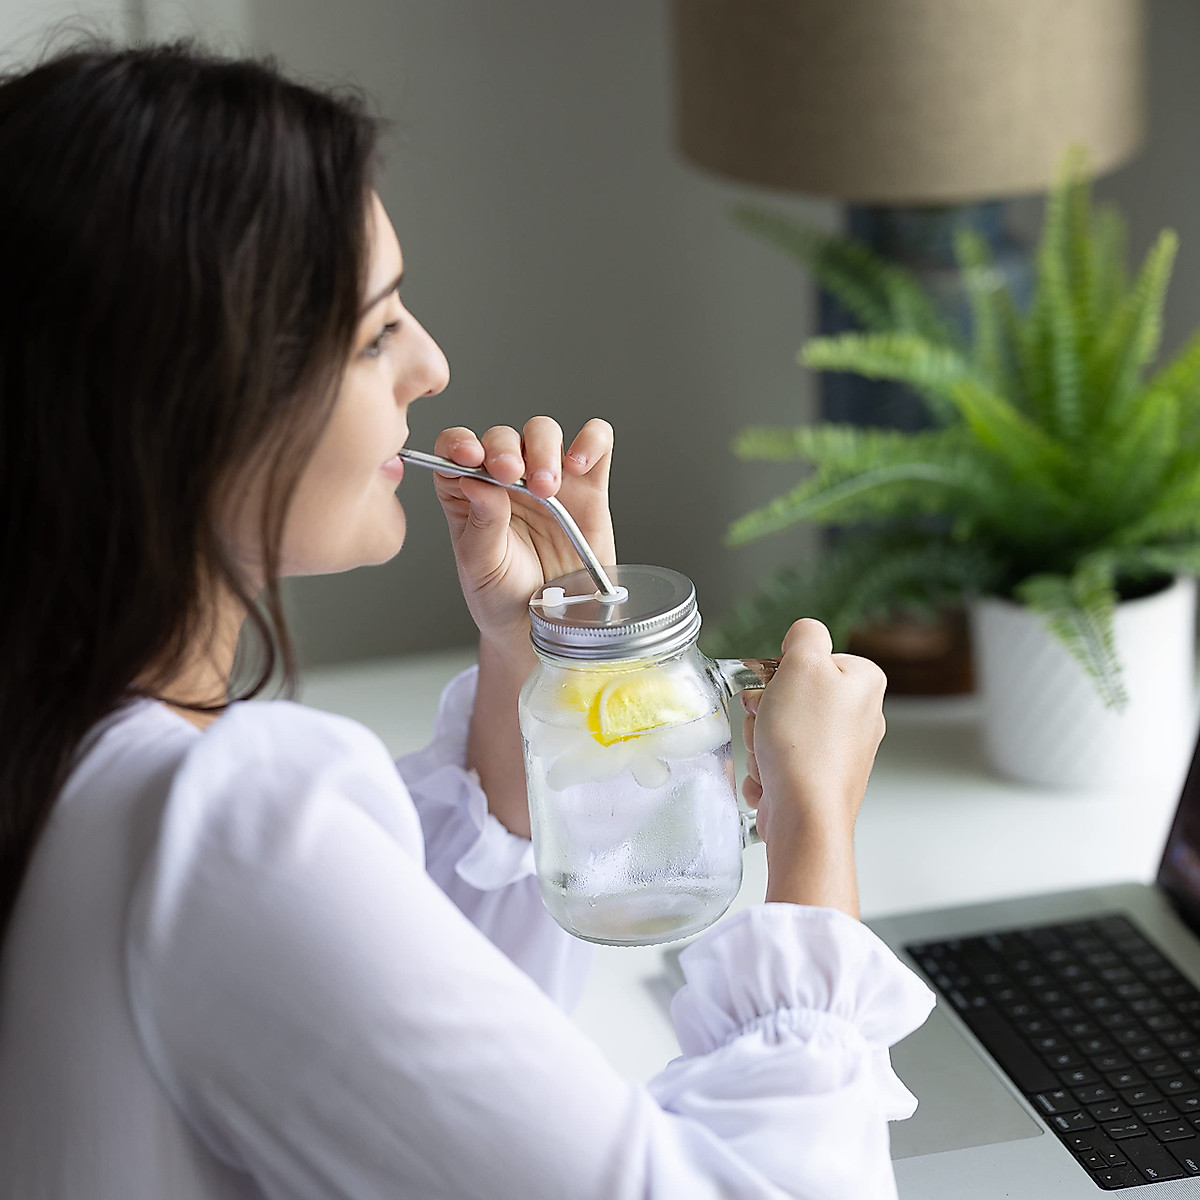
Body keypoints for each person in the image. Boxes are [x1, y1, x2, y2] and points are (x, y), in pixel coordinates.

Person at [0, 40, 934, 1200]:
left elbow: (429, 1081)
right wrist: (814, 823)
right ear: (193, 407)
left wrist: (519, 661)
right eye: (376, 331)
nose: (431, 368)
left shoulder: (72, 753)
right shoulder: (228, 822)